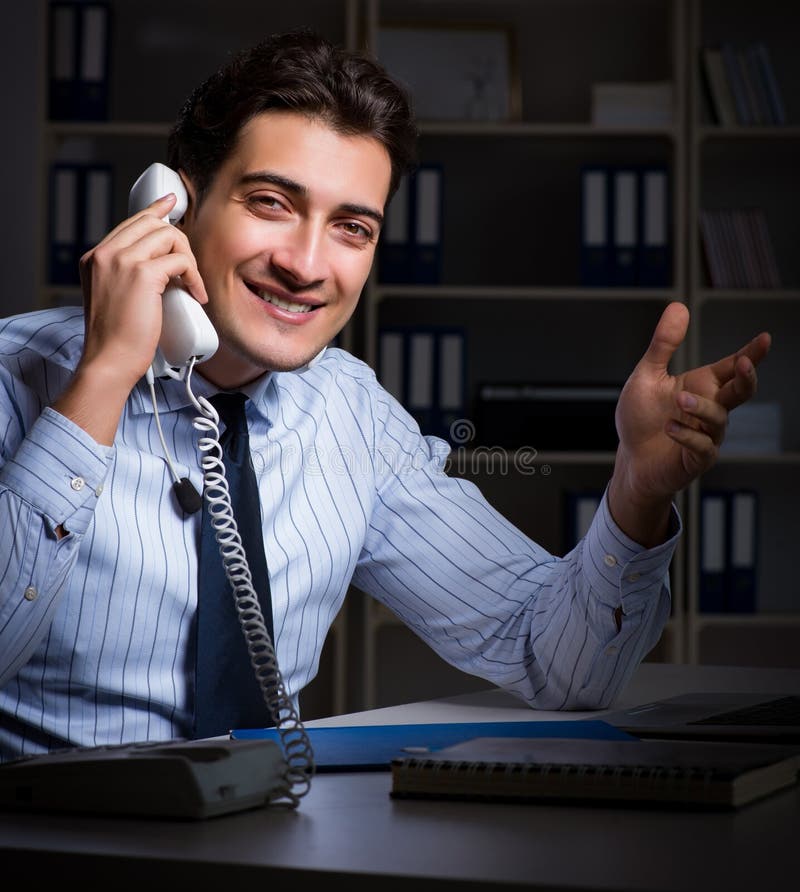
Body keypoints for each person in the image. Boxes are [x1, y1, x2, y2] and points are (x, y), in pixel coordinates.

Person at [0, 30, 770, 762]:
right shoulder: (15, 375)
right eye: (272, 202)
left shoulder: (351, 413)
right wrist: (101, 380)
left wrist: (635, 493)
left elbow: (560, 663)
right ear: (173, 205)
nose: (307, 264)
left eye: (351, 228)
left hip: (269, 849)